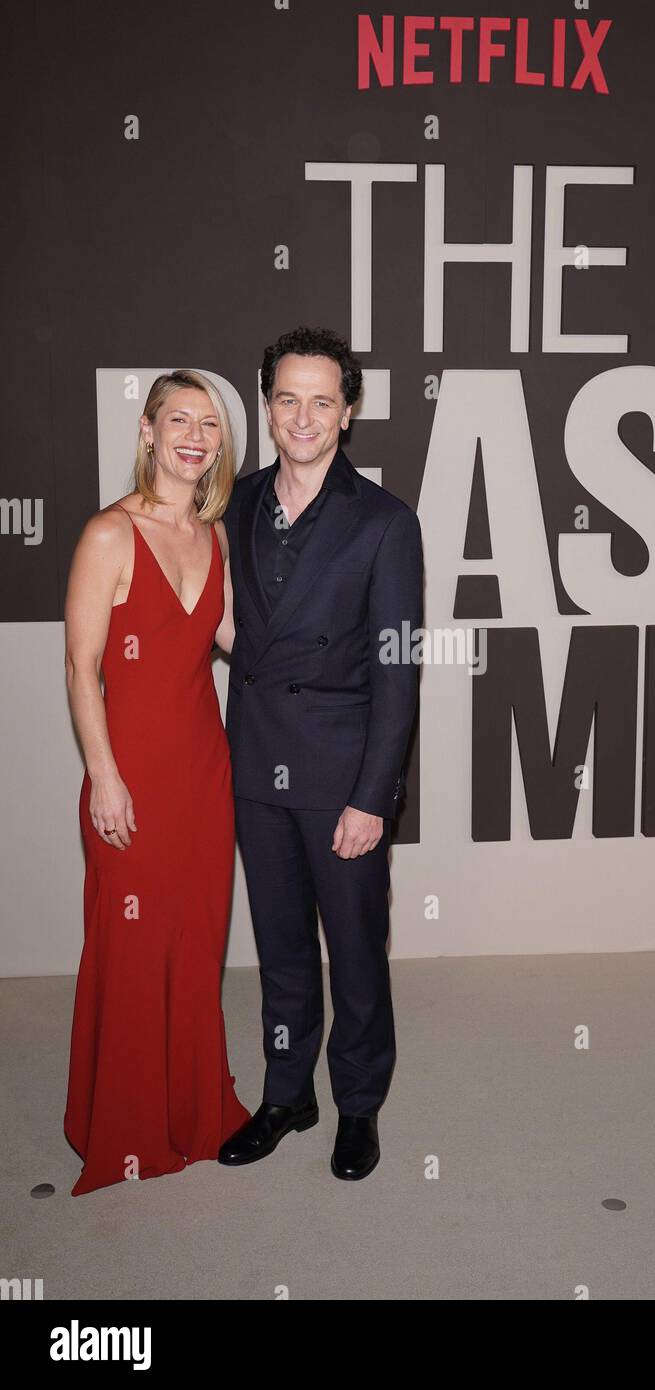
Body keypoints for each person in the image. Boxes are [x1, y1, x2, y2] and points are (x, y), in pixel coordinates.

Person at [217, 325, 423, 1180]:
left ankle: (360, 1106)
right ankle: (286, 1092)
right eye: (287, 399)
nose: (303, 417)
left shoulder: (385, 522)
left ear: (350, 412)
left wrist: (374, 797)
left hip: (343, 775)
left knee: (355, 950)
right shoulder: (229, 501)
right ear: (268, 405)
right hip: (256, 764)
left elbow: (400, 672)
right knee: (281, 947)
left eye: (322, 401)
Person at [63, 369, 252, 1196]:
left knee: (196, 943)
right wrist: (104, 776)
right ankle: (126, 1125)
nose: (194, 436)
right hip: (130, 772)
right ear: (147, 431)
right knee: (134, 945)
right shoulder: (109, 533)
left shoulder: (217, 536)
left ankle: (193, 1113)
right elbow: (80, 664)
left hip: (203, 776)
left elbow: (243, 643)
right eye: (179, 419)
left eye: (209, 424)